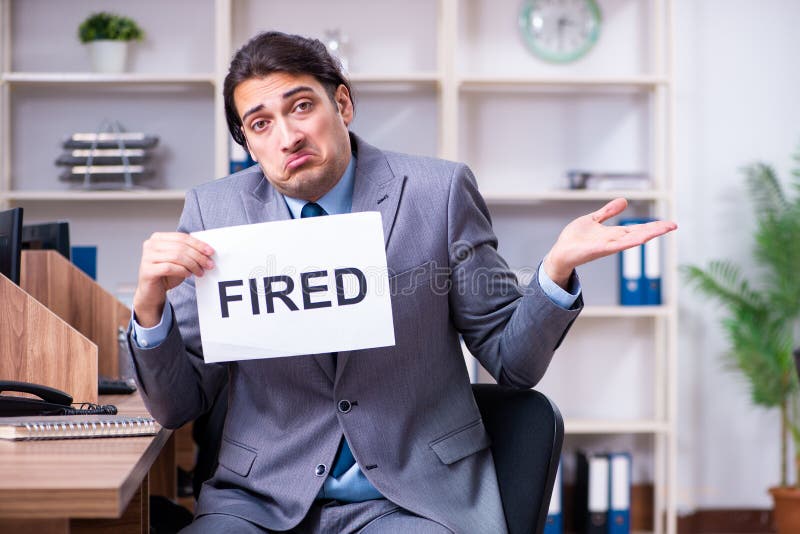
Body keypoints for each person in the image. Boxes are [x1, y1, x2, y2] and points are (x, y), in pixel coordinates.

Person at [129, 31, 676, 534]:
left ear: (341, 104)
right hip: (261, 501)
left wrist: (553, 272)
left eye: (301, 106)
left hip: (412, 500)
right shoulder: (214, 211)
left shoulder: (437, 193)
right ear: (249, 144)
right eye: (261, 123)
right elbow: (178, 405)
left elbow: (513, 362)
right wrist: (150, 308)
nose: (288, 135)